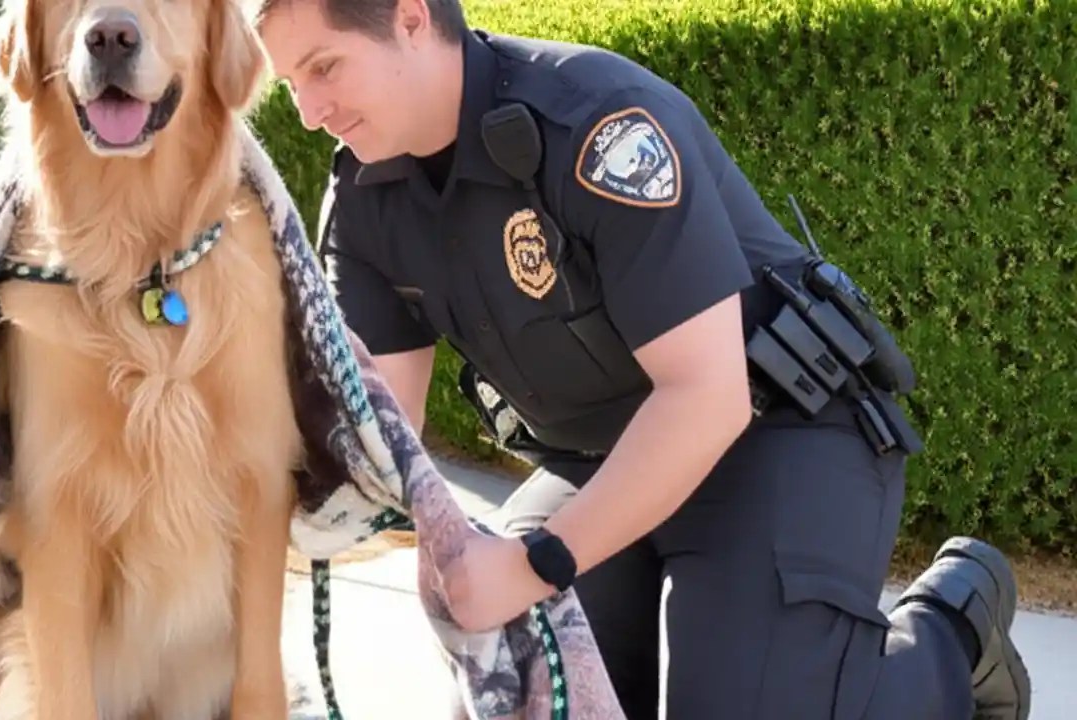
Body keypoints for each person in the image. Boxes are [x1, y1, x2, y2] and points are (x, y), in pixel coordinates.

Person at [253, 1, 1033, 718]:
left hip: (775, 436)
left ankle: (950, 631)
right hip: (598, 462)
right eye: (291, 85)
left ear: (412, 17)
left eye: (325, 67)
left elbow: (707, 397)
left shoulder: (595, 123)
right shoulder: (364, 197)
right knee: (523, 688)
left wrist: (534, 561)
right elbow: (378, 425)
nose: (313, 113)